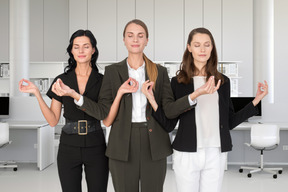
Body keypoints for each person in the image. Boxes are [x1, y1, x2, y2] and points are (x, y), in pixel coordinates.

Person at [52, 19, 194, 192]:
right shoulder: (111, 72)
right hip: (121, 143)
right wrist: (77, 95)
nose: (135, 39)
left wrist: (155, 98)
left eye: (140, 36)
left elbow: (169, 111)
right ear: (124, 40)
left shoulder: (160, 71)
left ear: (147, 40)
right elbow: (102, 112)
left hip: (154, 142)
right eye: (130, 35)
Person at [143, 27, 268, 192]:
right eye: (197, 45)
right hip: (187, 153)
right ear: (189, 48)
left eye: (207, 45)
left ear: (212, 48)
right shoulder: (178, 82)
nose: (202, 49)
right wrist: (152, 99)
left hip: (215, 153)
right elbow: (169, 122)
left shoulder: (222, 82)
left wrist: (256, 101)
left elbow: (229, 121)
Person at [18, 29, 138, 192]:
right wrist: (37, 94)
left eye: (86, 46)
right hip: (68, 146)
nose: (81, 51)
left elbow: (105, 117)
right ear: (71, 50)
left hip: (96, 145)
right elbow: (53, 120)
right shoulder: (62, 80)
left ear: (93, 50)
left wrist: (74, 94)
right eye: (76, 46)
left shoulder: (103, 80)